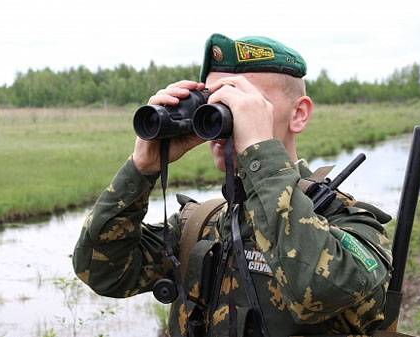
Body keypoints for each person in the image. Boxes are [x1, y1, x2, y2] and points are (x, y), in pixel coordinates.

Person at [72, 33, 393, 337]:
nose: (228, 117)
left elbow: (317, 289)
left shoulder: (351, 226)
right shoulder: (200, 225)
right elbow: (101, 271)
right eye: (213, 103)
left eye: (246, 102)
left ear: (299, 114)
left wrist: (260, 154)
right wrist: (140, 169)